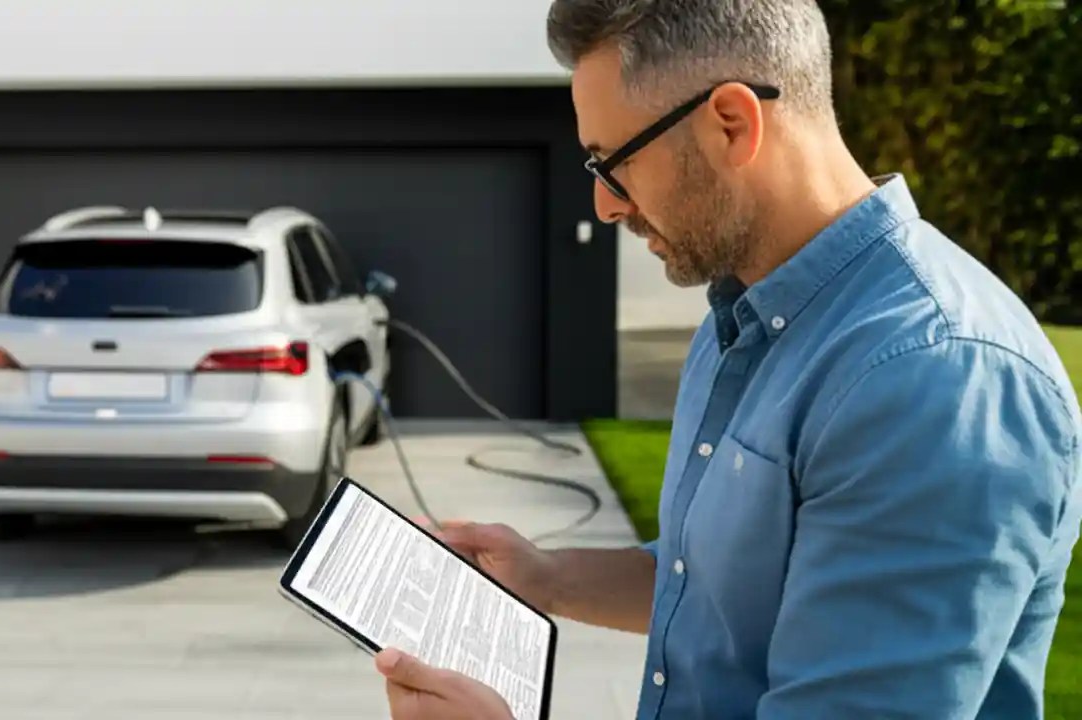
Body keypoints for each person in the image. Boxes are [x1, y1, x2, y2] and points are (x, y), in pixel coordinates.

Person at [371, 0, 1082, 718]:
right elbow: (716, 586)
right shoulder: (740, 322)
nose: (605, 205)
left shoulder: (931, 377)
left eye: (615, 163)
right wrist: (545, 577)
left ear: (732, 124)